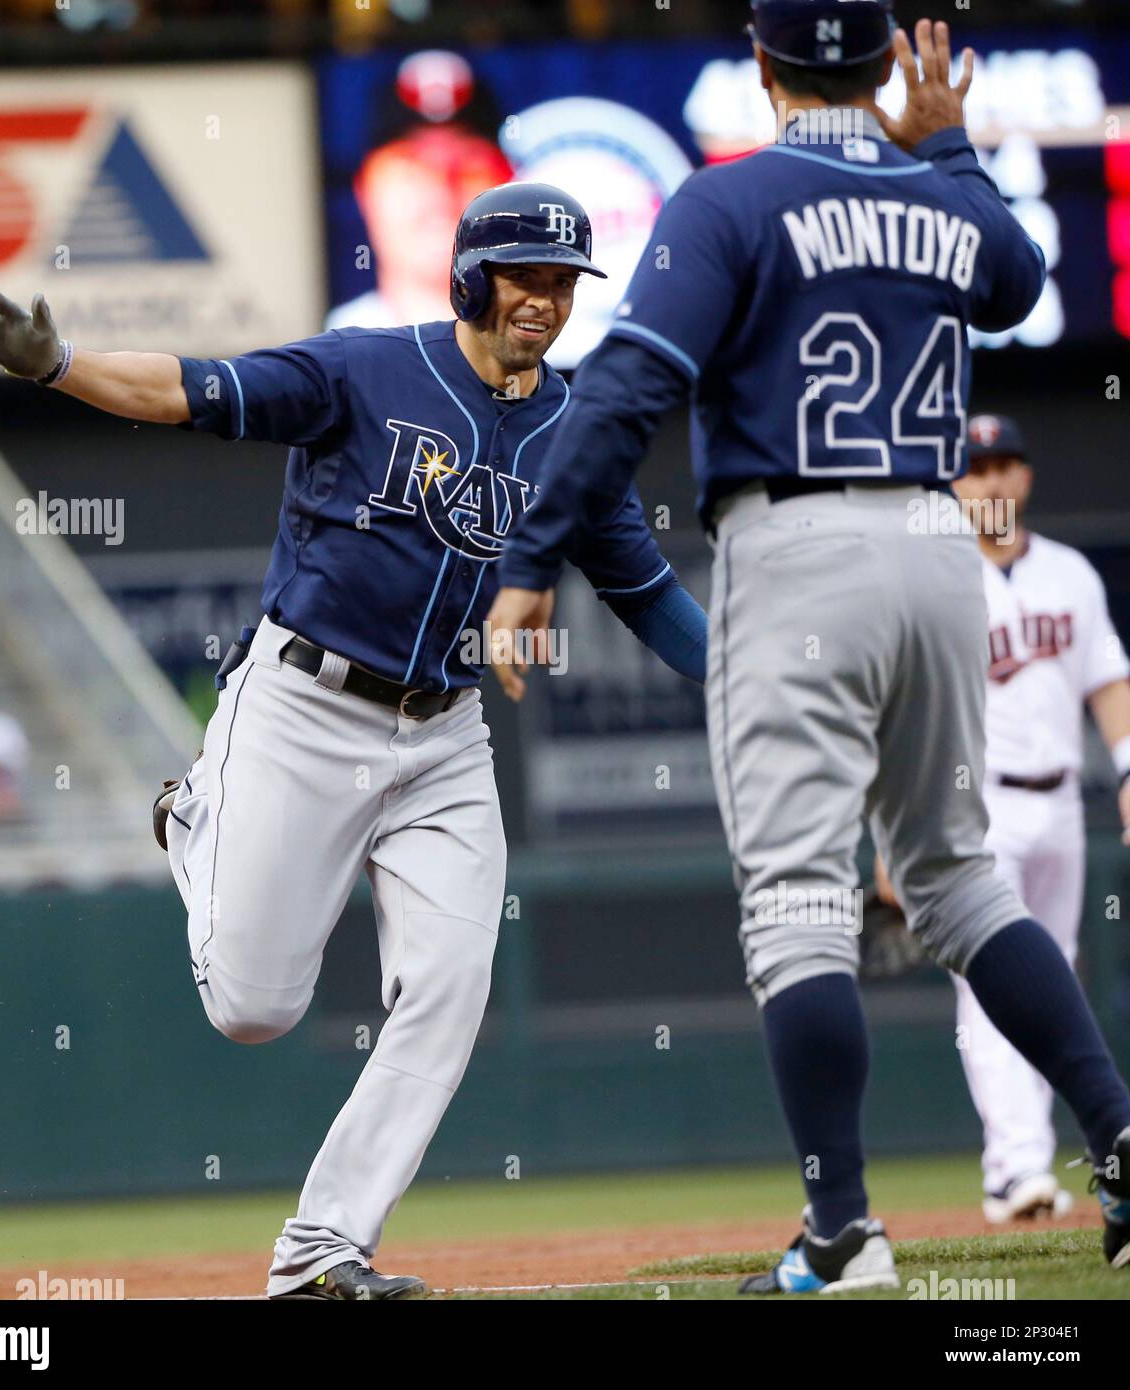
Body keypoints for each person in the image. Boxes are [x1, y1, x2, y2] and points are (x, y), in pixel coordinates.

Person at [0, 182, 708, 1300]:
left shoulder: (575, 431)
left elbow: (645, 591)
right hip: (303, 705)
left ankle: (320, 1251)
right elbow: (187, 391)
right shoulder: (365, 370)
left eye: (561, 283)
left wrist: (742, 686)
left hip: (446, 733)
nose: (544, 302)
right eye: (524, 277)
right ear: (467, 275)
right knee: (253, 1011)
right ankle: (190, 819)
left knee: (450, 984)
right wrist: (61, 367)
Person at [486, 4, 1130, 1290]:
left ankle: (841, 1229)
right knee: (955, 878)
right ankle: (1117, 1139)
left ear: (761, 65)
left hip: (796, 543)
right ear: (890, 62)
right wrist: (943, 146)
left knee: (796, 898)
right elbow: (1016, 282)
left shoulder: (730, 201)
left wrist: (526, 560)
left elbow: (621, 392)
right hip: (942, 548)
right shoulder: (945, 196)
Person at [943, 414, 1130, 1222]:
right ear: (953, 486)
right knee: (991, 983)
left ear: (1024, 477)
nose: (990, 480)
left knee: (1053, 973)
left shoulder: (1069, 575)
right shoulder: (935, 579)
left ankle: (1034, 1159)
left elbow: (1109, 683)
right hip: (973, 807)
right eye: (975, 468)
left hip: (1060, 803)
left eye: (1004, 464)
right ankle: (1015, 1167)